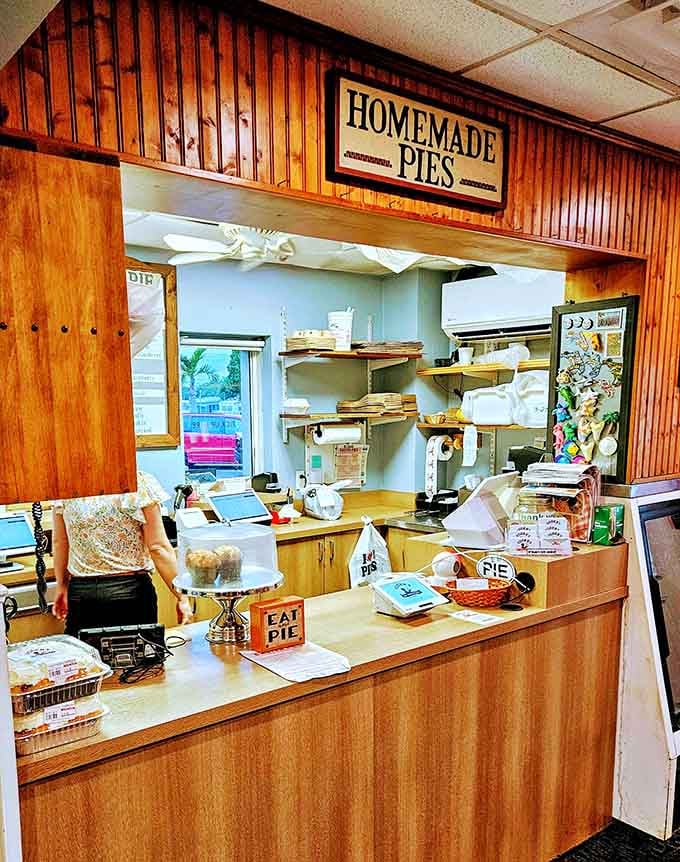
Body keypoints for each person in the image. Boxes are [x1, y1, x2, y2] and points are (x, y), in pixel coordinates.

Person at [52, 471, 193, 636]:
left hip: (82, 593)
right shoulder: (137, 482)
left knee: (86, 659)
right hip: (130, 593)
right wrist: (181, 596)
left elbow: (60, 542)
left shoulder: (68, 484)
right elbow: (158, 548)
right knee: (137, 657)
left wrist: (61, 586)